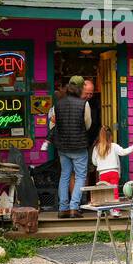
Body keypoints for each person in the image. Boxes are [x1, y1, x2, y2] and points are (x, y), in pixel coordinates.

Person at [52, 75, 92, 218]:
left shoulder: (58, 104)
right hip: (79, 146)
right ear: (81, 88)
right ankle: (74, 207)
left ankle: (63, 208)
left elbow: (55, 124)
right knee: (81, 175)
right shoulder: (83, 104)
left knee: (65, 175)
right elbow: (87, 125)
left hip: (63, 146)